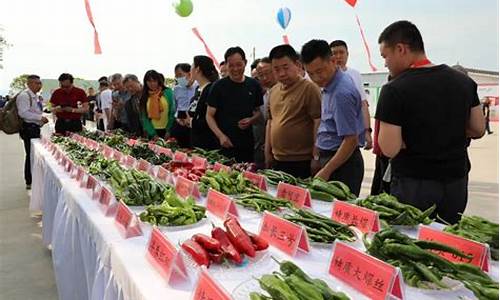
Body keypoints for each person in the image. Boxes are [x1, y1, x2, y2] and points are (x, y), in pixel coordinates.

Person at [375, 20, 485, 224]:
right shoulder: (464, 82)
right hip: (455, 183)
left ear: (401, 49)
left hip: (414, 185)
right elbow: (478, 129)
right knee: (447, 241)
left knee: (413, 245)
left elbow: (389, 148)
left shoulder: (394, 89)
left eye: (385, 56)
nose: (385, 63)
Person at [301, 39, 365, 196]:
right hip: (331, 159)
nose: (316, 78)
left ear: (333, 61)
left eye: (320, 71)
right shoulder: (330, 85)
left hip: (342, 165)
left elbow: (350, 140)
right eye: (311, 73)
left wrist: (326, 170)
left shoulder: (341, 92)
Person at [265, 45, 322, 178]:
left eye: (286, 67)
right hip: (278, 159)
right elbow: (270, 121)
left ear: (297, 64)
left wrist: (316, 156)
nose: (282, 73)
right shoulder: (273, 91)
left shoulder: (310, 88)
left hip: (302, 160)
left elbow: (318, 122)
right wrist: (267, 152)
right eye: (276, 69)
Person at [206, 46, 264, 162]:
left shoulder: (253, 85)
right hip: (223, 145)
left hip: (246, 145)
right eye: (231, 65)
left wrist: (251, 120)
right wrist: (221, 136)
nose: (235, 69)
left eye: (239, 65)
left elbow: (258, 112)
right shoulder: (218, 86)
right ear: (226, 65)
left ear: (245, 63)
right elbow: (209, 115)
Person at [330, 40, 373, 150]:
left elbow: (363, 104)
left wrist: (367, 131)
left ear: (347, 54)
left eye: (341, 52)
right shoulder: (324, 78)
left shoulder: (355, 75)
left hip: (352, 134)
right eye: (334, 53)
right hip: (331, 137)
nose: (338, 56)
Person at [16, 75, 49, 189]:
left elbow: (36, 110)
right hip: (28, 128)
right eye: (36, 83)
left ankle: (34, 179)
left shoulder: (35, 96)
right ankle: (29, 180)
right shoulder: (24, 96)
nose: (39, 85)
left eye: (40, 83)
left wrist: (41, 118)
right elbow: (23, 113)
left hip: (34, 127)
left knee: (34, 154)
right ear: (29, 84)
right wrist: (39, 118)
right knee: (30, 154)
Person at [187, 55, 220, 150]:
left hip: (208, 143)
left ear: (198, 69)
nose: (190, 70)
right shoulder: (198, 89)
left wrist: (191, 121)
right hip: (197, 141)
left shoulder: (211, 90)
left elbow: (211, 118)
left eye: (192, 66)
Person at [139, 70, 175, 139]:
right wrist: (153, 134)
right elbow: (144, 117)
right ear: (145, 82)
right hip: (152, 132)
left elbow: (172, 112)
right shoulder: (144, 96)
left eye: (154, 81)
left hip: (168, 130)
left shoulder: (168, 92)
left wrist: (168, 131)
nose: (152, 84)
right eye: (149, 81)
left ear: (158, 81)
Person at [255, 57, 277, 169]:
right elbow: (269, 122)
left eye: (268, 73)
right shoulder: (266, 96)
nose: (265, 78)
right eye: (260, 75)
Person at [172, 63, 197, 147]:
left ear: (189, 73)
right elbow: (176, 107)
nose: (179, 78)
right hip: (179, 123)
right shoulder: (176, 89)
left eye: (180, 75)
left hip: (193, 124)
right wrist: (178, 119)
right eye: (176, 76)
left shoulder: (198, 86)